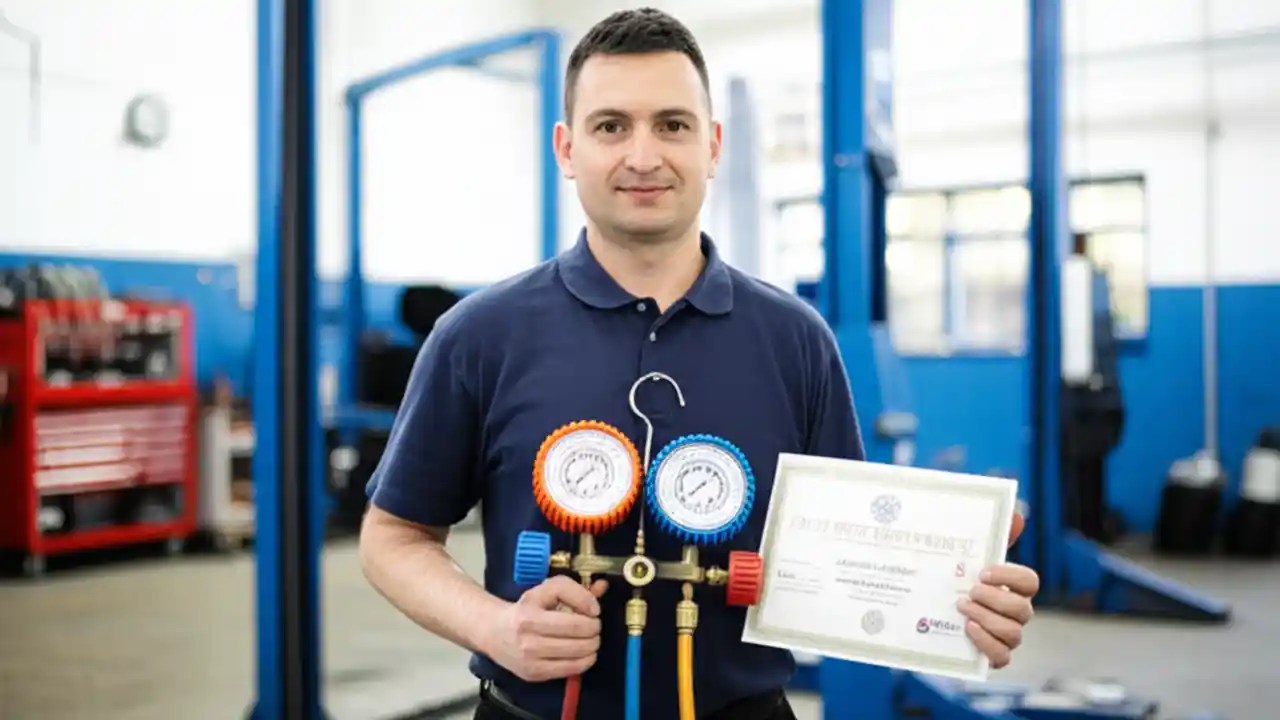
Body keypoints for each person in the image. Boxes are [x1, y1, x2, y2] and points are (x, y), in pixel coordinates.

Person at [358, 8, 1040, 720]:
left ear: (714, 146)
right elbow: (393, 537)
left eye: (673, 125)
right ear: (566, 149)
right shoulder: (480, 335)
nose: (644, 155)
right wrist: (494, 626)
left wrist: (957, 603)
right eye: (611, 126)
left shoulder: (795, 341)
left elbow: (854, 557)